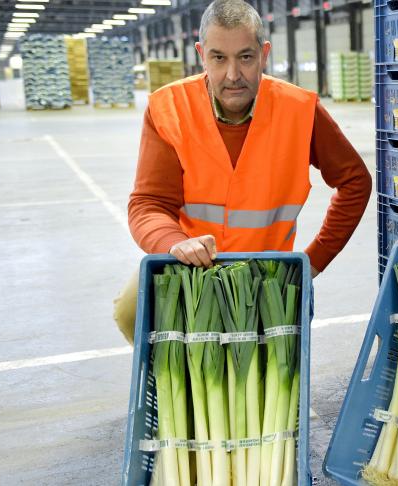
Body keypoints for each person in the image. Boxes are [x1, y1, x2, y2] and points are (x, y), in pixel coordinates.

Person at [113, 0, 372, 344]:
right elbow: (148, 203)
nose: (233, 75)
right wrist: (175, 244)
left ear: (264, 54)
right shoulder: (169, 108)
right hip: (191, 267)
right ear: (201, 54)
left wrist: (313, 262)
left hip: (267, 272)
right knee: (129, 311)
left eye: (245, 57)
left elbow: (355, 181)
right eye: (219, 58)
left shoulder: (299, 109)